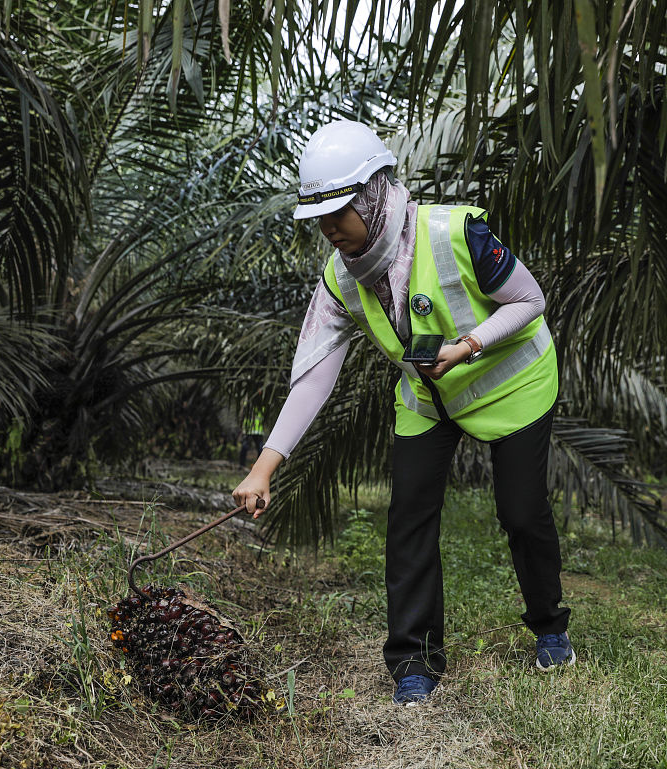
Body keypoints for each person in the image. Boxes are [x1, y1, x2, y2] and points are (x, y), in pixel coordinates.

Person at [232, 120, 573, 705]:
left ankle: (550, 628)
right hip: (429, 398)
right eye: (319, 216)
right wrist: (265, 466)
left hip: (513, 385)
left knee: (521, 514)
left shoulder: (455, 232)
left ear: (372, 192)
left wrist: (467, 347)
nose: (328, 228)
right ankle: (413, 660)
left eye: (338, 211)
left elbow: (531, 299)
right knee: (408, 518)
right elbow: (315, 373)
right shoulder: (342, 277)